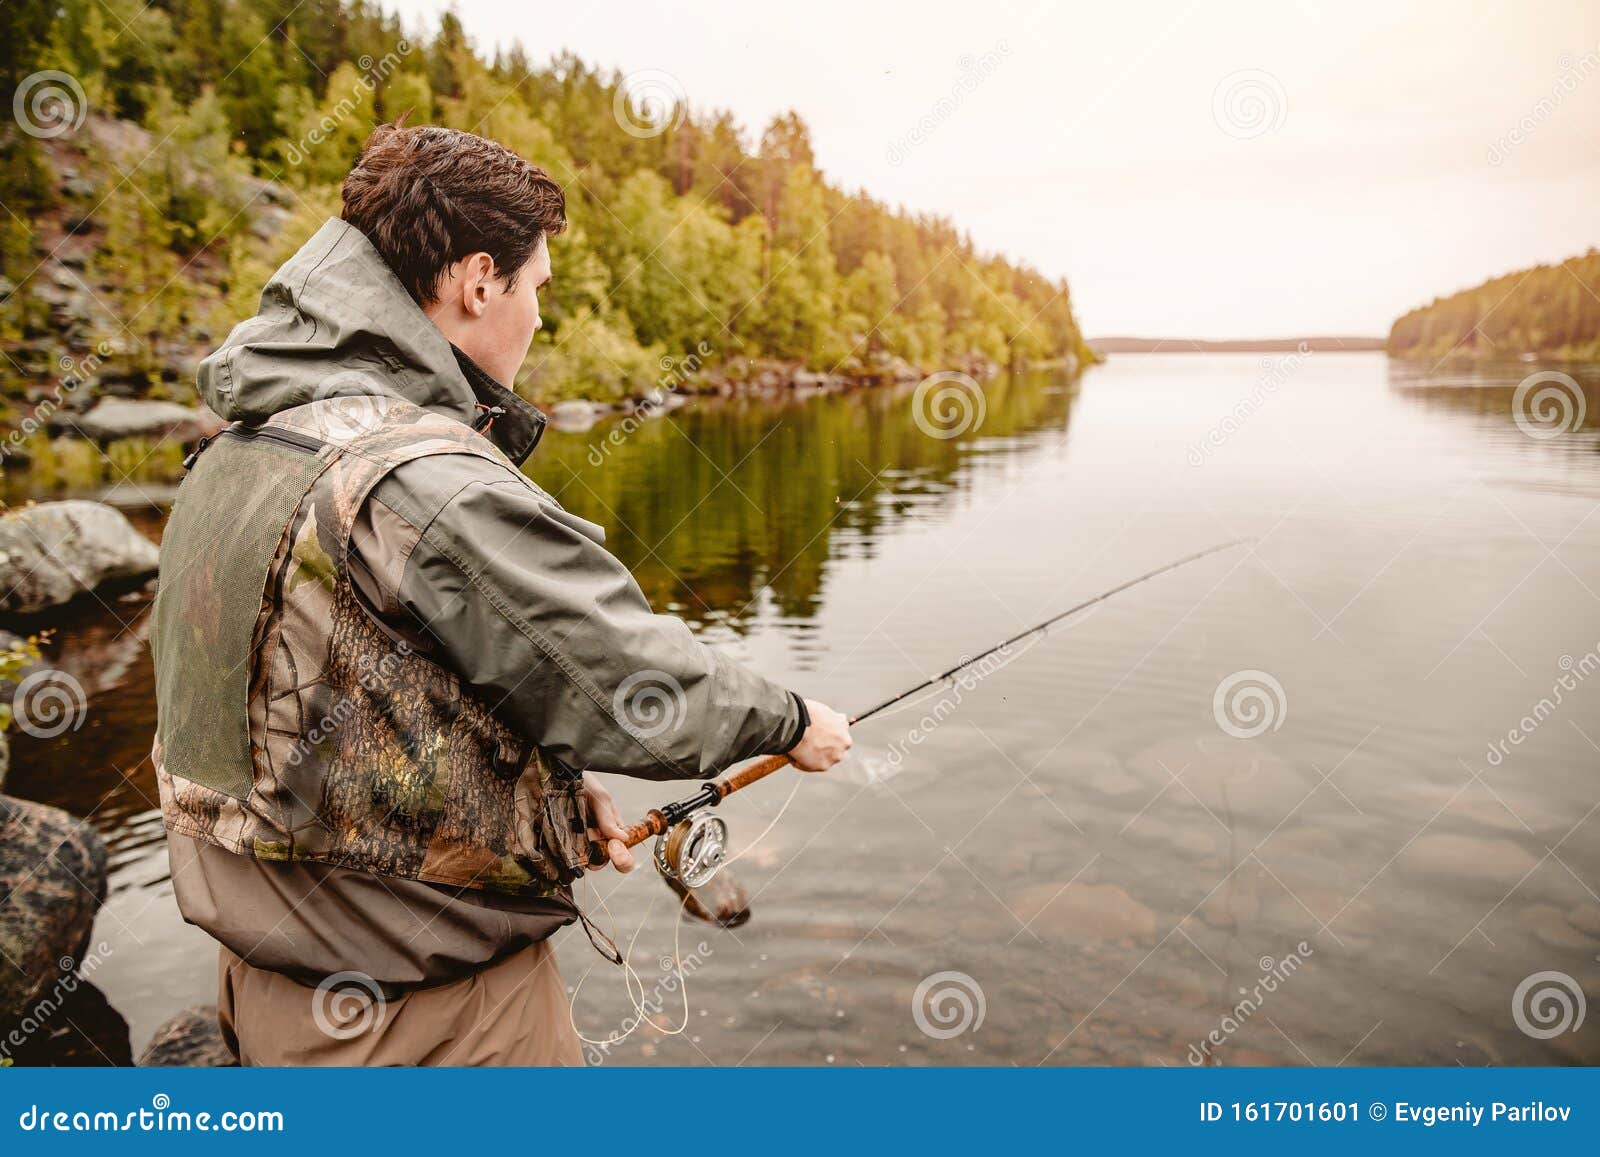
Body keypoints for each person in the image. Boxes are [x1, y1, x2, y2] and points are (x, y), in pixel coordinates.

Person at [148, 122, 852, 1066]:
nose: (538, 317)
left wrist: (547, 791)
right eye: (537, 289)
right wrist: (790, 719)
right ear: (481, 281)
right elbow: (628, 682)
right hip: (427, 1026)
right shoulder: (426, 483)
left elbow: (320, 709)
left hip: (267, 987)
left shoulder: (242, 447)